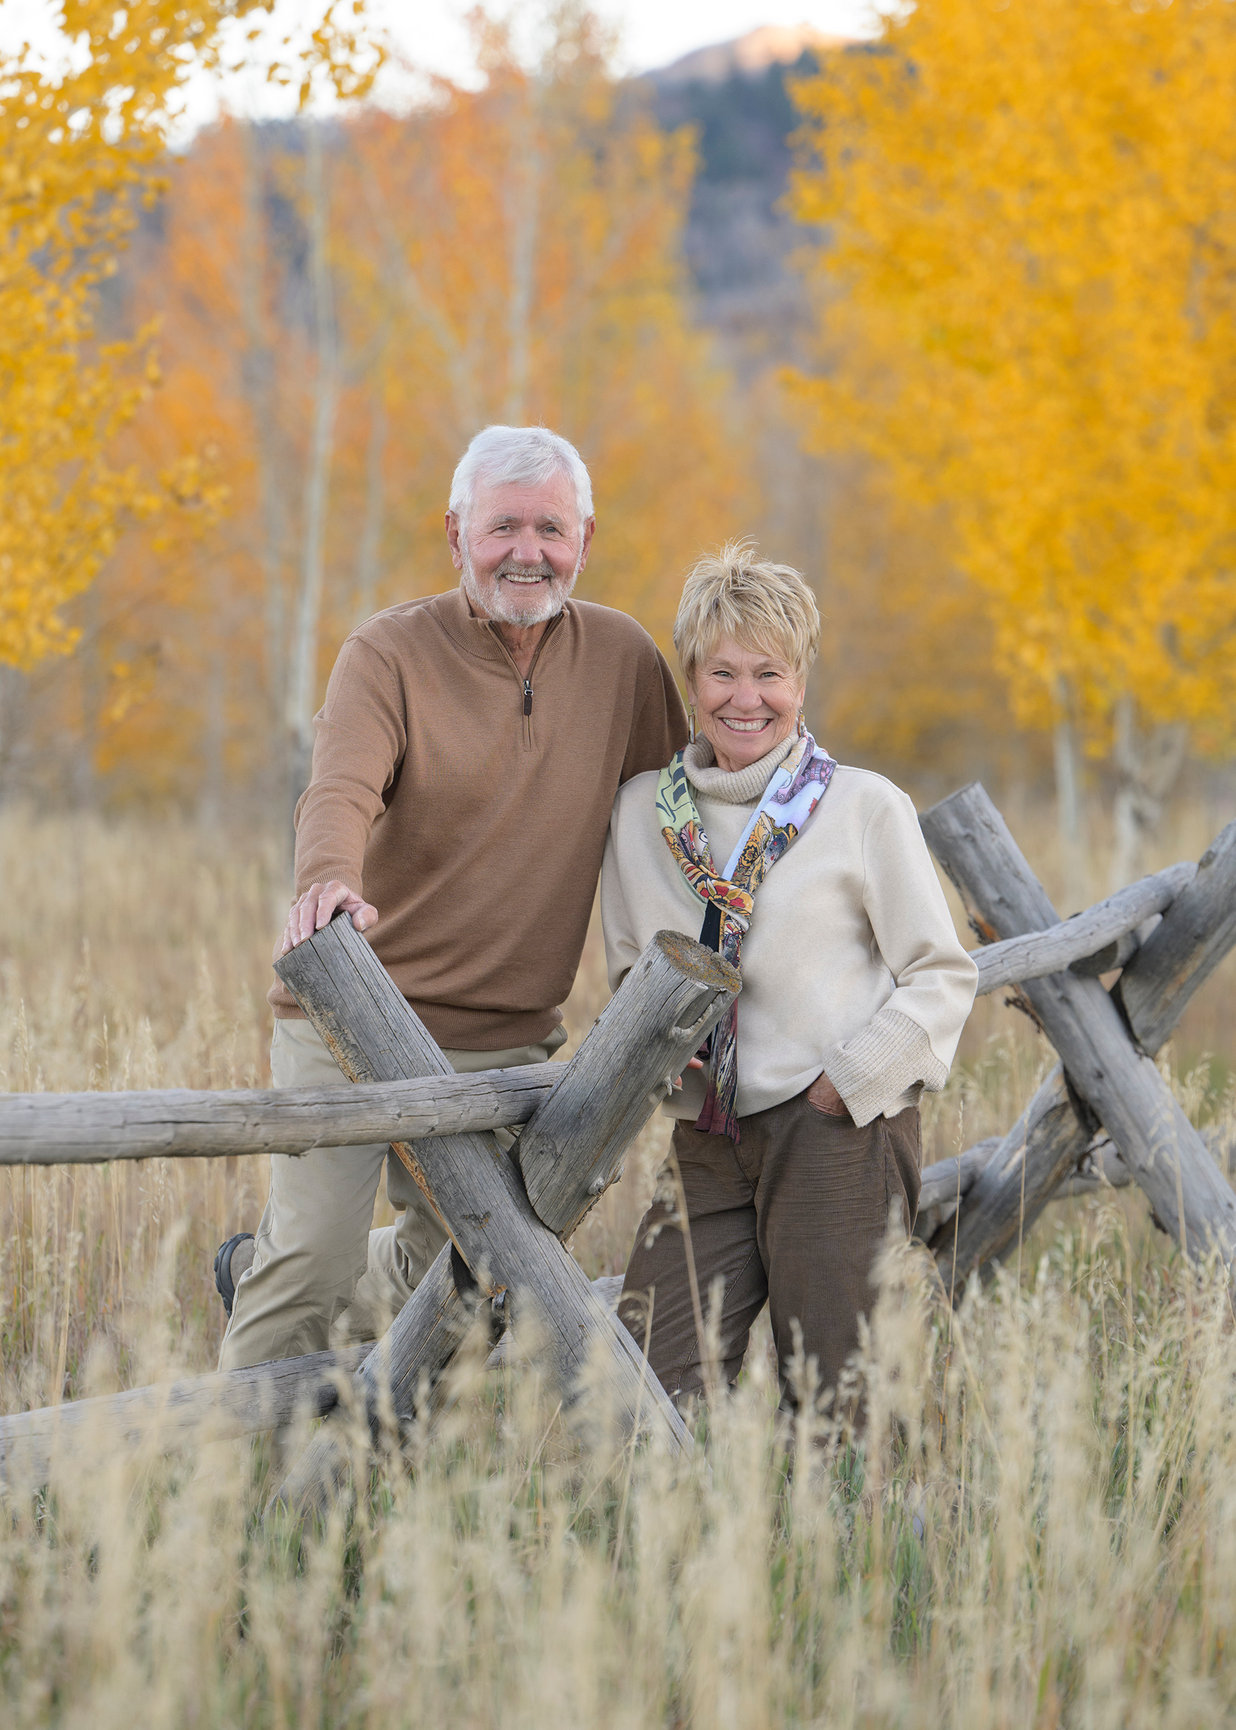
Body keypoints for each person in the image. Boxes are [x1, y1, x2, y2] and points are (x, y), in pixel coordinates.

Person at [216, 424, 686, 1372]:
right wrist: (328, 886)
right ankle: (235, 1493)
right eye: (502, 526)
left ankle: (317, 1322)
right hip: (350, 1019)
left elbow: (677, 820)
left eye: (550, 529)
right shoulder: (386, 654)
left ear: (586, 540)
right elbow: (339, 789)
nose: (528, 552)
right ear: (455, 532)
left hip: (506, 1037)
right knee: (311, 1260)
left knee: (468, 1278)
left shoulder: (626, 663)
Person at [602, 542, 977, 1418]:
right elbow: (631, 975)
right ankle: (689, 1551)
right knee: (646, 1390)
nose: (747, 698)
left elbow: (941, 974)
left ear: (801, 681)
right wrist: (666, 1068)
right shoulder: (640, 817)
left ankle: (852, 1553)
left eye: (769, 673)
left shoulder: (862, 806)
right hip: (706, 1139)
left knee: (840, 1401)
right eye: (723, 673)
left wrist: (844, 1087)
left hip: (834, 1130)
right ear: (691, 680)